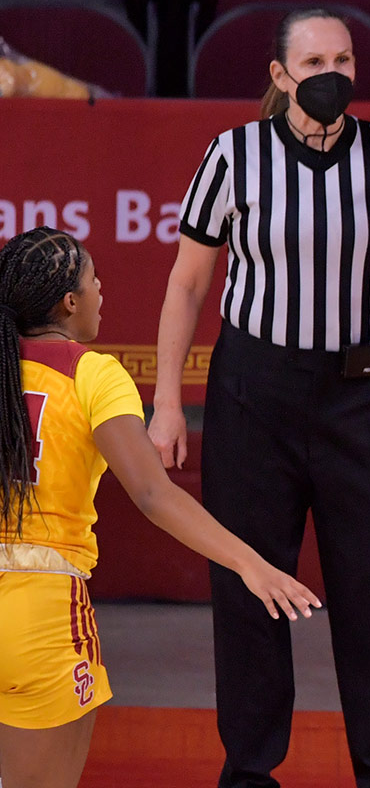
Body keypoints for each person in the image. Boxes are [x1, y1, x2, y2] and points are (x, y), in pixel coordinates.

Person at [149, 7, 370, 788]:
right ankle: (250, 774)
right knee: (249, 589)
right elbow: (188, 283)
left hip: (363, 397)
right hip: (254, 394)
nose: (333, 73)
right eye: (315, 60)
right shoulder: (233, 156)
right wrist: (165, 401)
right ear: (280, 75)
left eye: (345, 59)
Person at [0, 228, 319, 788]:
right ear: (69, 303)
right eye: (92, 279)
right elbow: (152, 494)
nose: (102, 288)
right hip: (41, 615)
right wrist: (251, 563)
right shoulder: (92, 372)